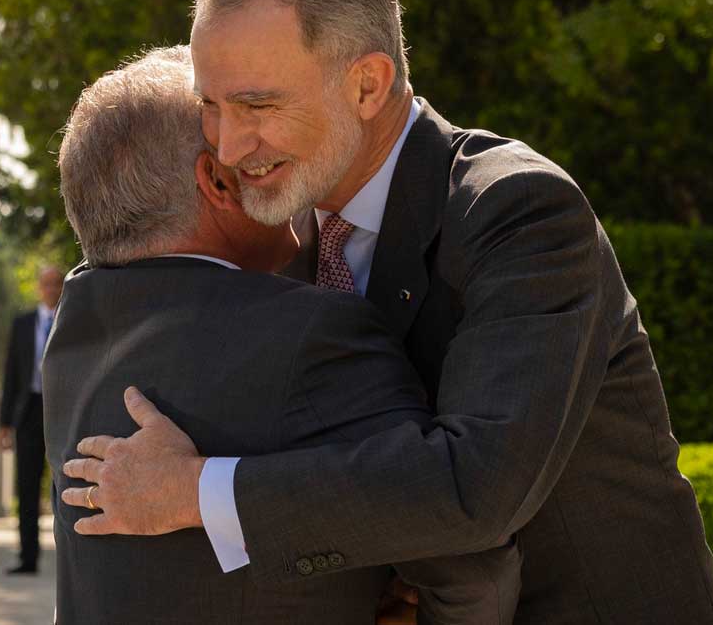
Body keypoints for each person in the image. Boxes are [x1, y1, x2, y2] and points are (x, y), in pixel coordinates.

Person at [61, 0, 713, 624]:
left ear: (367, 84)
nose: (228, 145)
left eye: (258, 105)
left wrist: (195, 491)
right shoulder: (283, 246)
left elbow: (473, 489)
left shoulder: (520, 212)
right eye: (210, 105)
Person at [45, 46, 512, 624]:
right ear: (216, 179)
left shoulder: (71, 337)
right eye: (246, 149)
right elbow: (469, 567)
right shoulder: (312, 331)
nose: (269, 160)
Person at [0, 264, 64, 574]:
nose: (52, 289)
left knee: (67, 486)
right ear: (39, 287)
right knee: (26, 488)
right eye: (47, 284)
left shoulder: (73, 319)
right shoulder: (22, 324)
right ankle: (28, 558)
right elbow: (10, 374)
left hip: (63, 414)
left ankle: (71, 560)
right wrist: (4, 423)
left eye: (57, 283)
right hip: (28, 413)